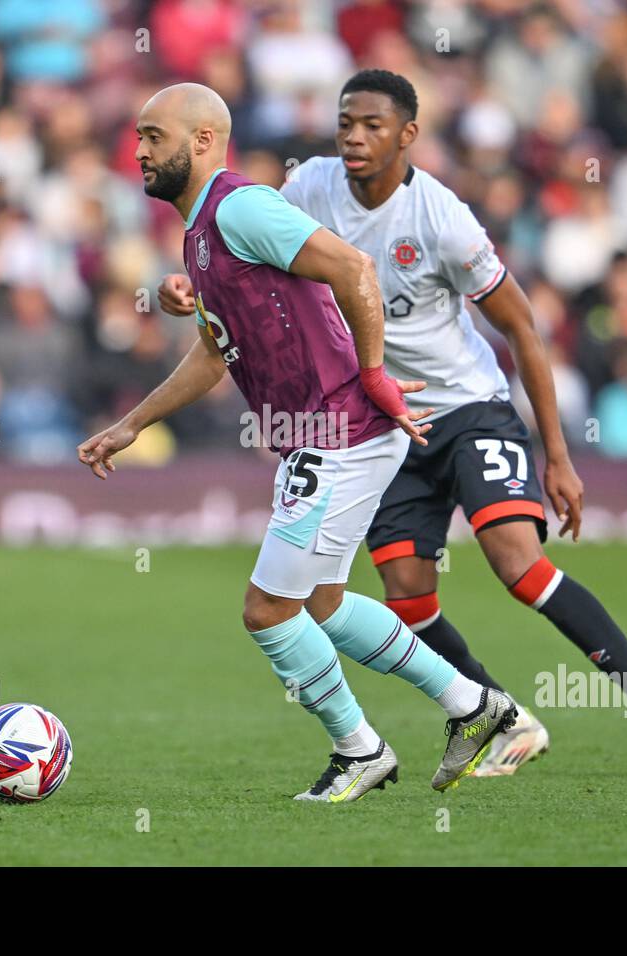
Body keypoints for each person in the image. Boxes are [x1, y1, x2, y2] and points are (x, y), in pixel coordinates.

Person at [159, 71, 627, 777]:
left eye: (373, 125)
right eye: (346, 122)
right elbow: (248, 268)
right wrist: (188, 293)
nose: (355, 136)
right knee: (409, 596)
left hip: (467, 406)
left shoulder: (441, 218)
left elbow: (522, 327)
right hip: (384, 423)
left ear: (408, 135)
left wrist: (559, 455)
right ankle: (503, 715)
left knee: (518, 563)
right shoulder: (308, 190)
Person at [79, 83, 517, 802]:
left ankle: (360, 751)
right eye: (137, 135)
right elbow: (216, 353)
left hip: (338, 431)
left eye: (153, 136)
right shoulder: (201, 234)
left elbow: (355, 268)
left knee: (267, 609)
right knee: (323, 605)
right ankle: (476, 707)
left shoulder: (242, 207)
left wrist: (373, 373)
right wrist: (134, 423)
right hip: (327, 436)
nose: (139, 150)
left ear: (201, 140)